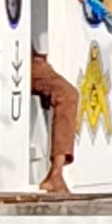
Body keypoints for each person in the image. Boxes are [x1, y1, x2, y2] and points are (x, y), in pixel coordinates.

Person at [32, 52, 80, 193]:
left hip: (28, 57)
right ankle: (56, 174)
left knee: (67, 94)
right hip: (21, 59)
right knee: (67, 95)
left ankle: (56, 174)